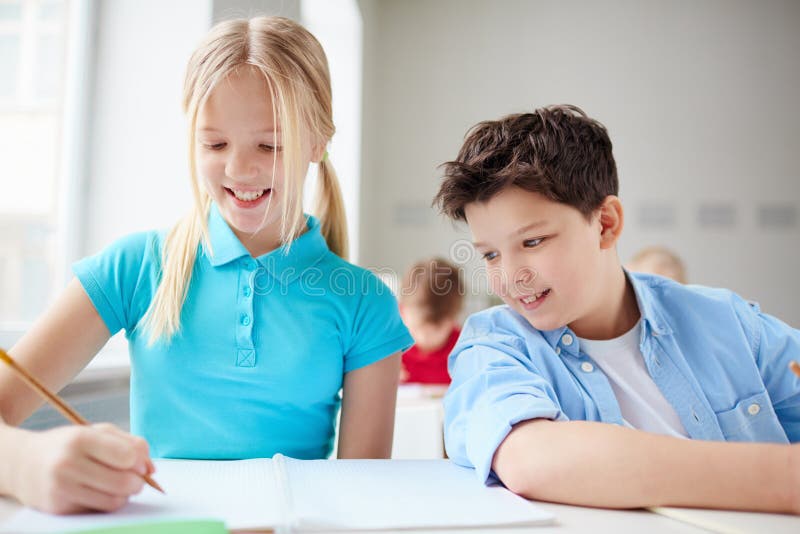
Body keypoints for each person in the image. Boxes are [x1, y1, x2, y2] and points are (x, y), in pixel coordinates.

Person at [0, 16, 412, 514]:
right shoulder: (133, 268)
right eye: (214, 144)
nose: (239, 169)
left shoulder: (364, 302)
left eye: (270, 145)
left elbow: (361, 499)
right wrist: (24, 462)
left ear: (319, 139)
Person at [433, 105, 800, 514]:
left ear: (606, 223)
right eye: (490, 254)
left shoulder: (726, 322)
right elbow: (531, 459)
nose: (511, 276)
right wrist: (784, 477)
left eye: (532, 242)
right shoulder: (495, 346)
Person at [398, 258, 463, 385]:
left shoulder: (462, 351)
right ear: (402, 311)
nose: (424, 338)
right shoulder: (389, 346)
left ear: (453, 319)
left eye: (436, 330)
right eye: (416, 328)